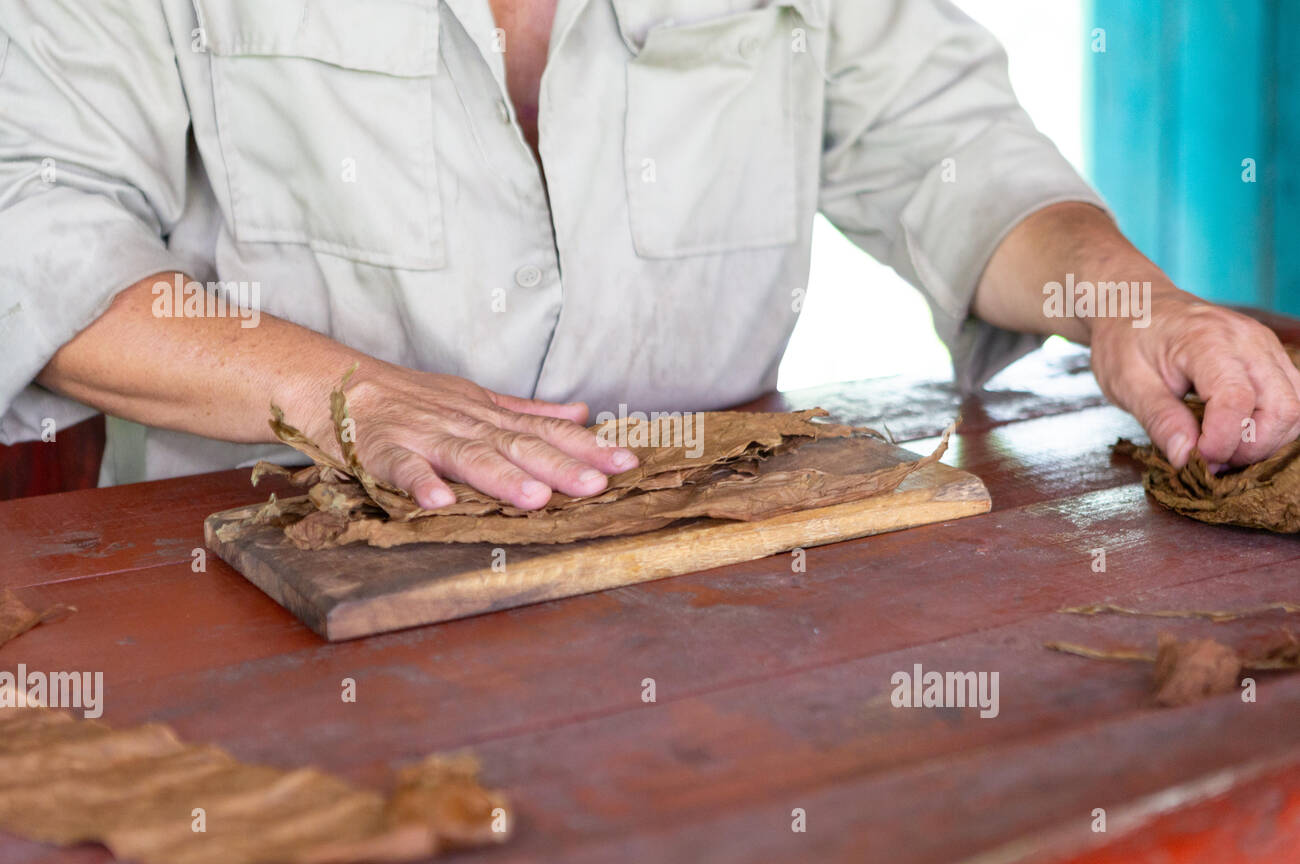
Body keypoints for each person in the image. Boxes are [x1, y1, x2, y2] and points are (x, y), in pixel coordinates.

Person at [3, 0, 1297, 511]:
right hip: (257, 569)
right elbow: (28, 216)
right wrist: (359, 396)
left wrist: (1135, 303)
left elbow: (954, 157)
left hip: (704, 564)